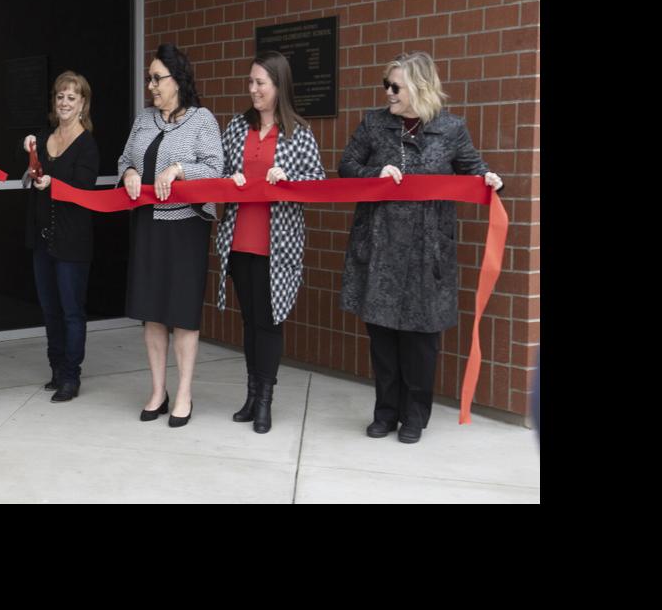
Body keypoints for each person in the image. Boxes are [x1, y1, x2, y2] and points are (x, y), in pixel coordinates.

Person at [339, 52, 503, 444]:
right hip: (379, 246)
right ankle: (385, 412)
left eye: (396, 87)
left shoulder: (450, 129)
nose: (388, 93)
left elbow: (473, 168)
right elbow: (346, 166)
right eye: (386, 85)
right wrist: (373, 173)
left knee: (420, 340)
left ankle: (414, 416)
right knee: (382, 337)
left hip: (427, 251)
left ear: (419, 87)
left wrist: (489, 179)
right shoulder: (375, 124)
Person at [215, 51, 325, 434]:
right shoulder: (236, 127)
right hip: (239, 238)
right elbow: (220, 172)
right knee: (250, 321)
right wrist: (231, 179)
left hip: (277, 245)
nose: (253, 89)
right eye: (251, 82)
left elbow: (317, 182)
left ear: (279, 86)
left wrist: (289, 175)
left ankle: (266, 400)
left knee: (270, 321)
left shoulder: (299, 131)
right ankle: (250, 395)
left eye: (260, 82)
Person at [115, 43, 223, 427]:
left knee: (182, 314)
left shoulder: (202, 120)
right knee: (152, 314)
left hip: (185, 228)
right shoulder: (144, 119)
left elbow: (215, 168)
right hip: (148, 224)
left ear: (178, 80)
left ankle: (183, 393)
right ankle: (158, 390)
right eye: (149, 78)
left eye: (158, 78)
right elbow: (126, 158)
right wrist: (128, 173)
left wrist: (178, 168)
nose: (151, 86)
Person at [21, 71, 99, 403]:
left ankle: (71, 375)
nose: (65, 102)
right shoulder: (42, 137)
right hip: (42, 238)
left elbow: (85, 189)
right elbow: (29, 177)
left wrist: (53, 185)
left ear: (83, 104)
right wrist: (29, 162)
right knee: (50, 309)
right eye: (60, 96)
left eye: (72, 97)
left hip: (72, 240)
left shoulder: (88, 145)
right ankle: (55, 369)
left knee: (71, 310)